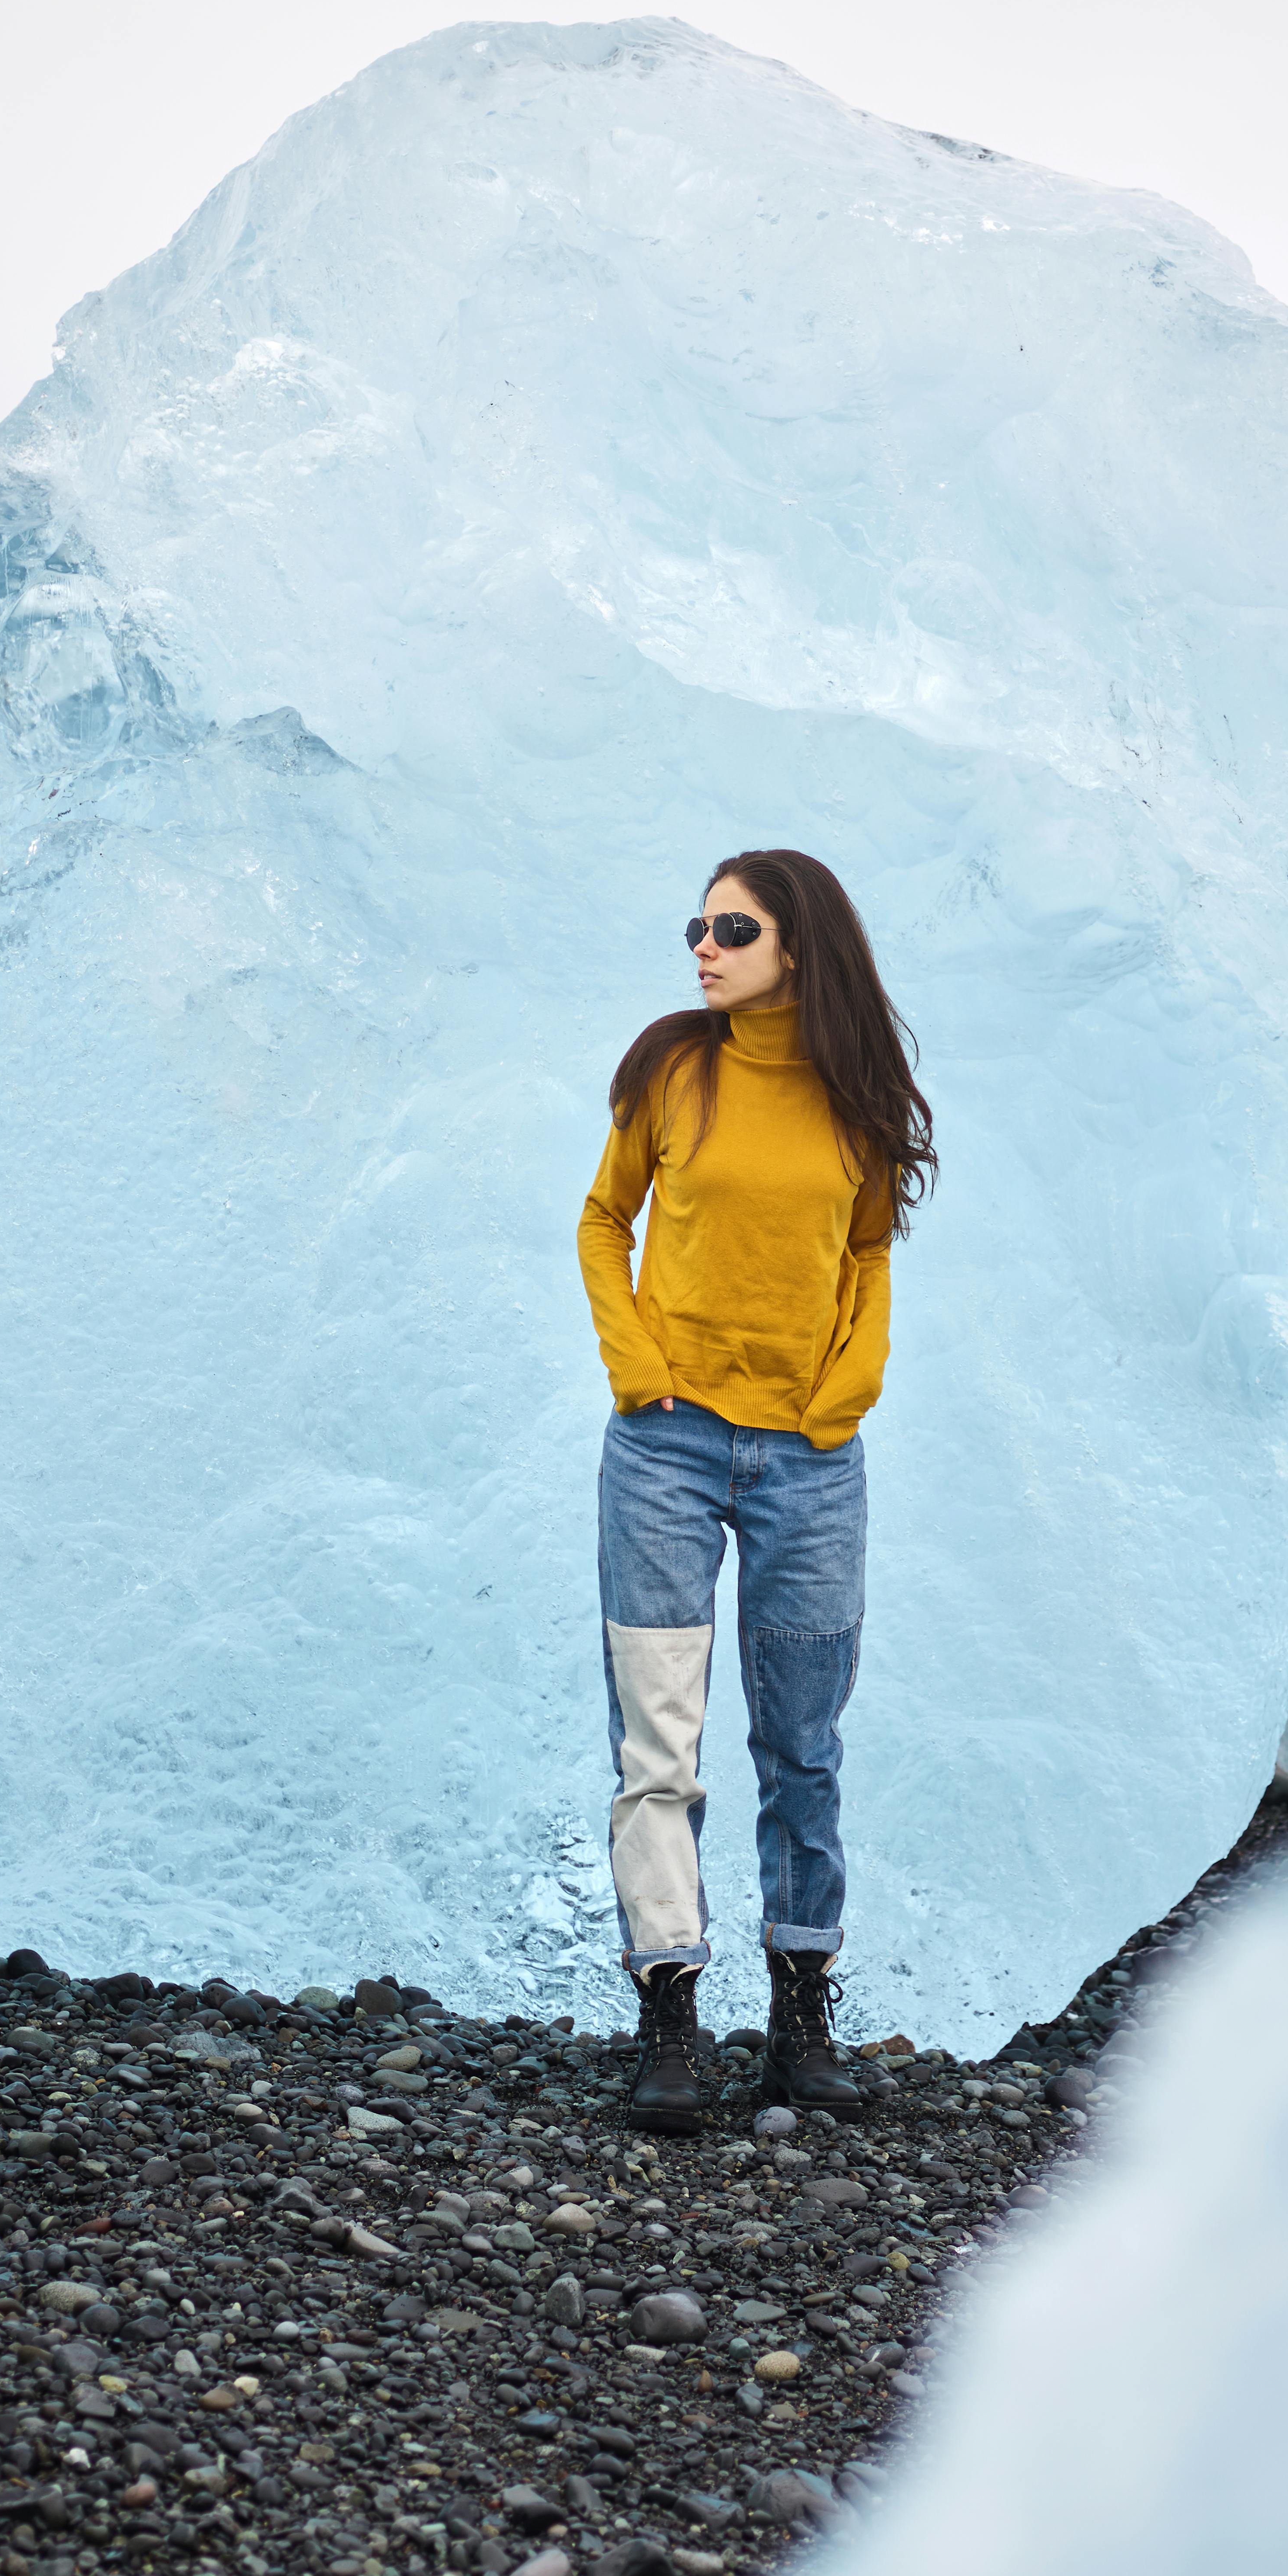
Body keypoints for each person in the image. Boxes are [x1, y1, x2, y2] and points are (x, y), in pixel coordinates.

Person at [577, 848, 936, 2135]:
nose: (704, 947)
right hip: (666, 1450)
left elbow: (869, 1252)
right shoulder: (672, 1069)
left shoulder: (859, 1099)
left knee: (803, 1745)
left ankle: (799, 2019)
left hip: (811, 1463)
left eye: (732, 927)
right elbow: (602, 1221)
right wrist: (638, 1366)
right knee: (658, 1745)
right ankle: (668, 2020)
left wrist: (848, 1391)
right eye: (697, 925)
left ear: (801, 945)